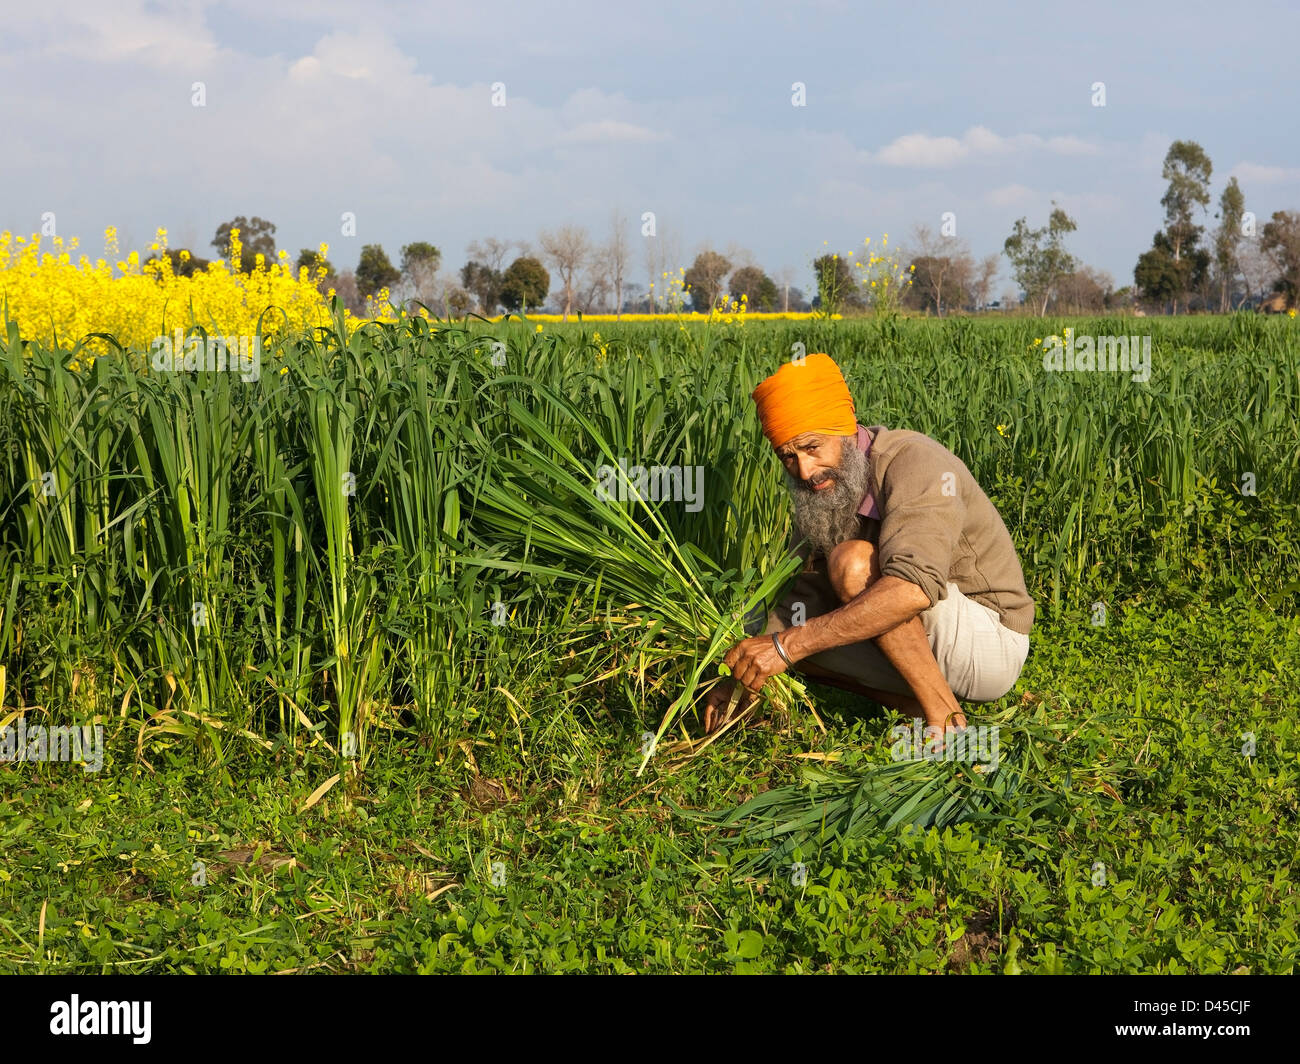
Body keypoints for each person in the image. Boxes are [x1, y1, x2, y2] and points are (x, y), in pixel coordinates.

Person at [704, 352, 1033, 734]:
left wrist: (787, 647)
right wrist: (745, 673)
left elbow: (912, 590)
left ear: (845, 426)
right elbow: (802, 596)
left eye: (812, 447)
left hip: (988, 643)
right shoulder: (822, 491)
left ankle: (946, 720)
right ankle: (907, 703)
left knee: (852, 565)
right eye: (788, 457)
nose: (805, 470)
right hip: (926, 641)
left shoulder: (914, 461)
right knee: (787, 632)